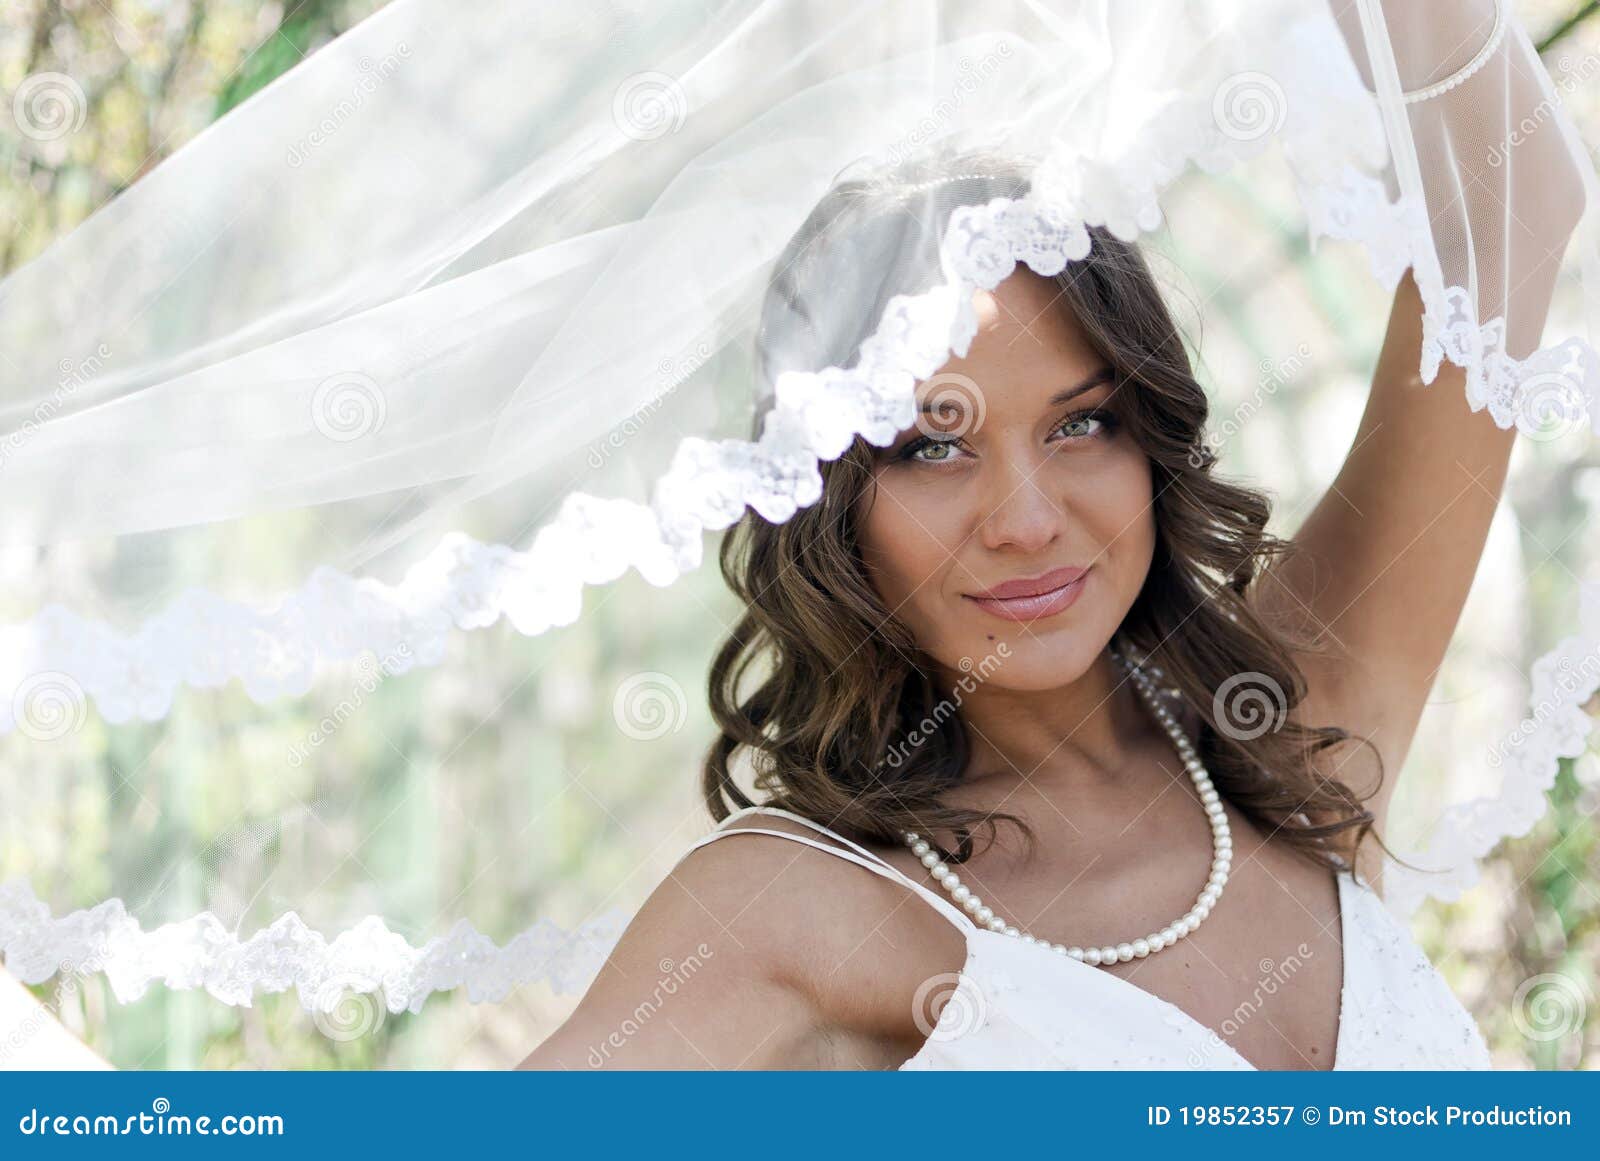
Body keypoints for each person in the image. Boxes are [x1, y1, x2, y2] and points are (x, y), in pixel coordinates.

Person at [520, 148, 1578, 1071]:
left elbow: (1511, 202)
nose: (1026, 521)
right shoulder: (788, 911)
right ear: (829, 498)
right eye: (932, 447)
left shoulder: (1297, 710)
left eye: (1082, 426)